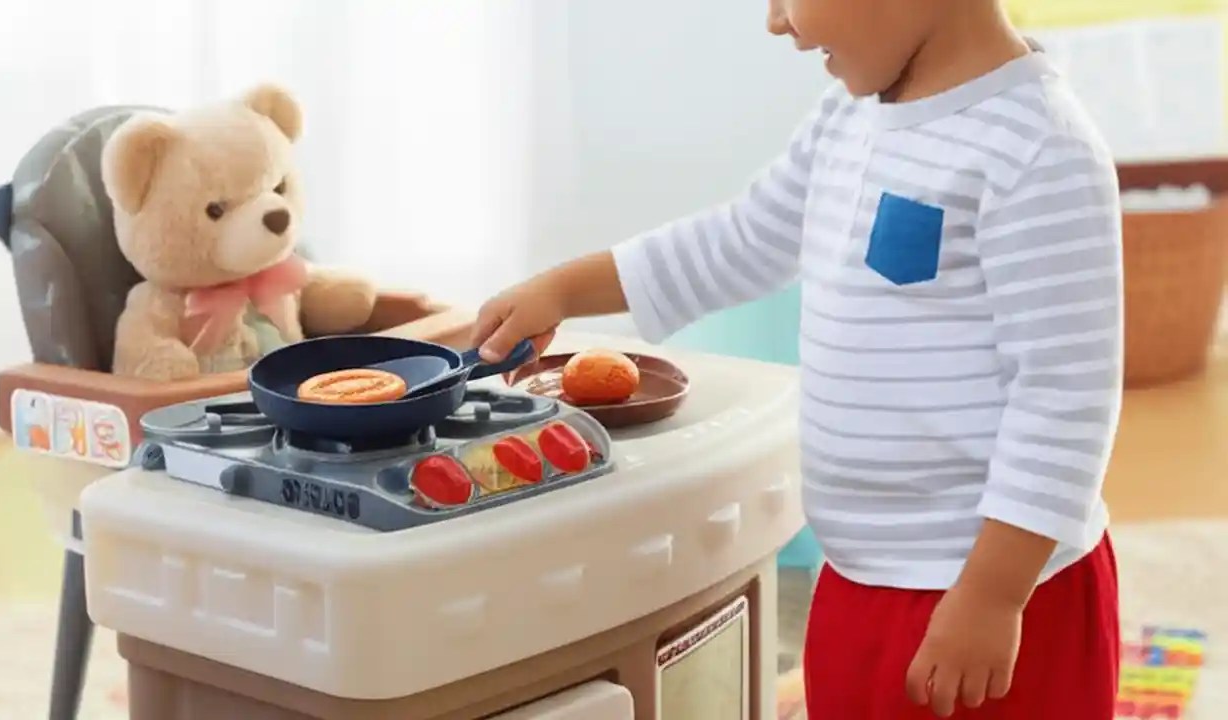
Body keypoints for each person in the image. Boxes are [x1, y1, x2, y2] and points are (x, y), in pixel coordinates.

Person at [470, 0, 1122, 717]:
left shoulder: (1041, 150)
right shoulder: (848, 118)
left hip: (1001, 592)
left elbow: (1065, 395)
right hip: (860, 574)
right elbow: (741, 241)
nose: (777, 22)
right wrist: (563, 289)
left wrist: (994, 595)